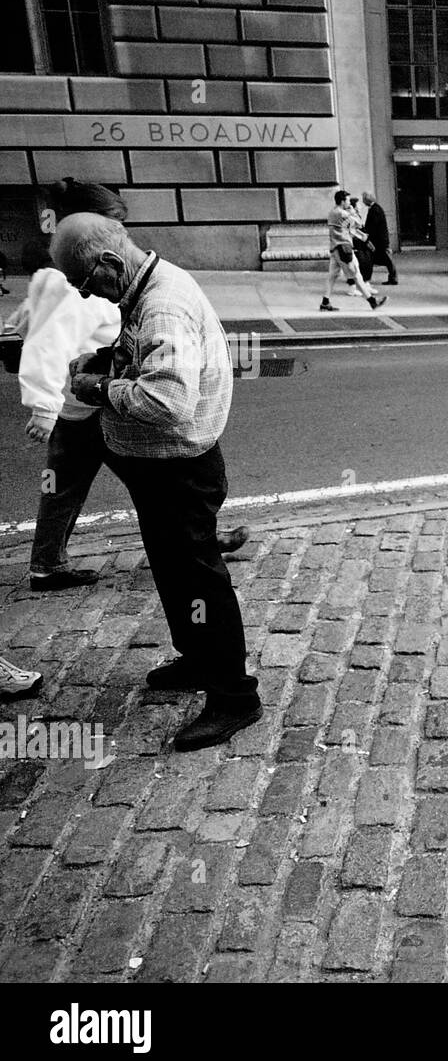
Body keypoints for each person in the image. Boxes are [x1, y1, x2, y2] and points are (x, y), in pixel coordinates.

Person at [52, 212, 261, 752]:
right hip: (161, 467)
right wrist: (107, 359)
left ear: (110, 263)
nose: (87, 295)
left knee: (198, 580)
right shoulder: (146, 286)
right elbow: (146, 359)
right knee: (172, 571)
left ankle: (235, 697)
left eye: (85, 282)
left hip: (179, 469)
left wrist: (99, 389)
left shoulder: (161, 304)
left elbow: (169, 400)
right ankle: (196, 658)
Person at [12, 181, 247, 592]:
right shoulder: (65, 273)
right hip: (83, 404)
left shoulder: (133, 283)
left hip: (110, 394)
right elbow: (37, 336)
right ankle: (48, 564)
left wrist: (107, 358)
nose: (123, 234)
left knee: (128, 485)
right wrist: (46, 407)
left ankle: (191, 542)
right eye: (114, 223)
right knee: (73, 487)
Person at [321, 189, 384, 312]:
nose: (349, 203)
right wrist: (353, 211)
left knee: (332, 276)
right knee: (356, 276)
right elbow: (358, 223)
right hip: (344, 248)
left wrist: (365, 239)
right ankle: (372, 301)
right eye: (348, 200)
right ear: (342, 201)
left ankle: (325, 301)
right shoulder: (342, 213)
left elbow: (349, 229)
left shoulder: (333, 212)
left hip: (336, 249)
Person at [361, 191, 396, 286]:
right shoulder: (375, 208)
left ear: (367, 200)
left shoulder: (374, 210)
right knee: (383, 259)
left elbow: (373, 227)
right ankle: (392, 277)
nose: (363, 202)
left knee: (384, 259)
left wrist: (365, 231)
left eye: (363, 199)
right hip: (380, 239)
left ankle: (392, 277)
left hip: (379, 240)